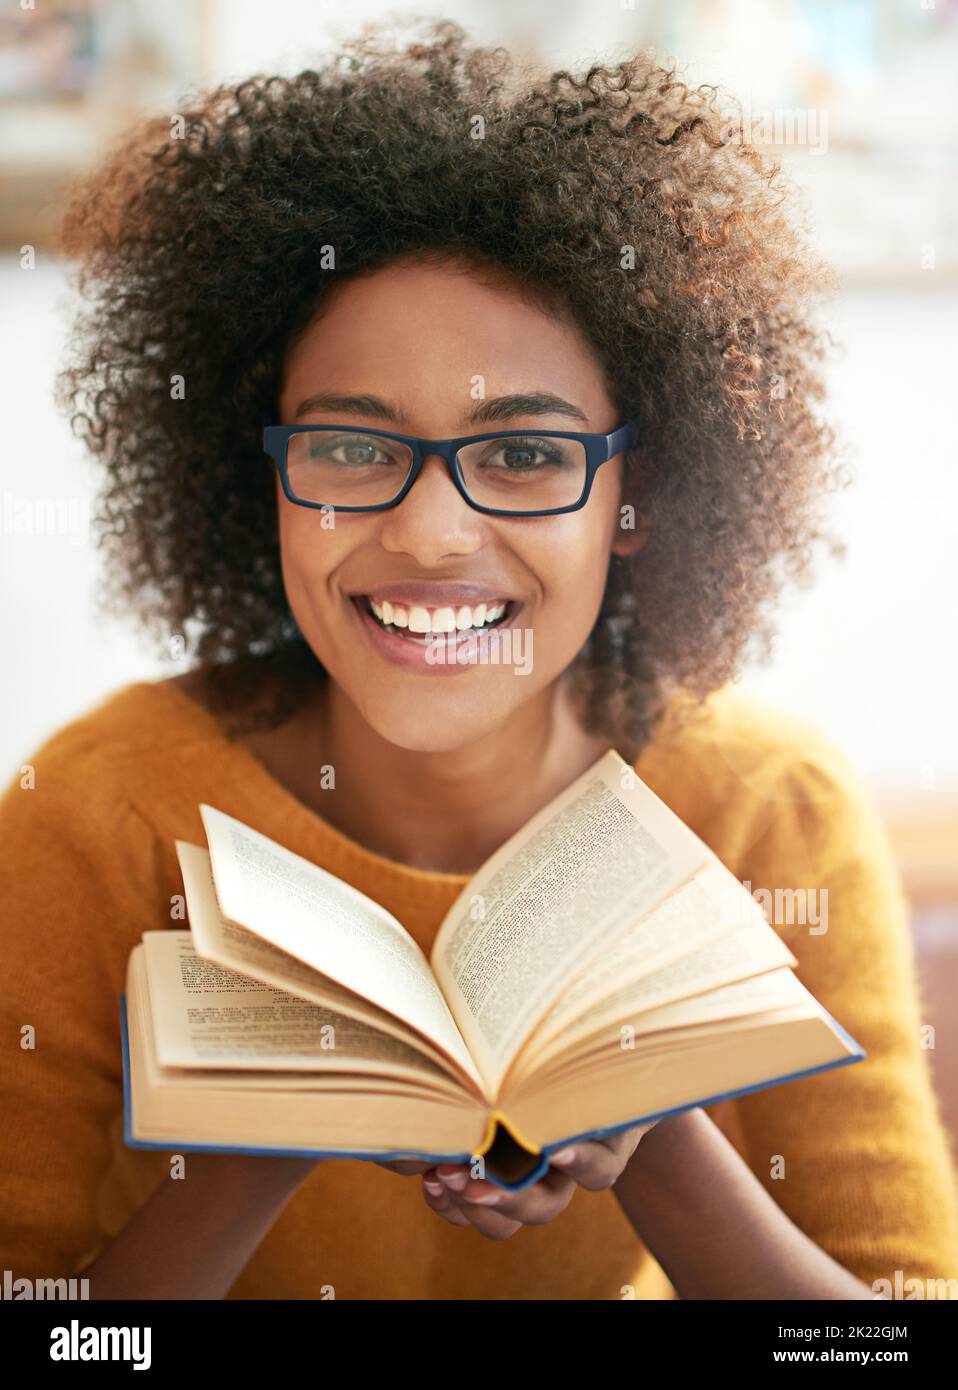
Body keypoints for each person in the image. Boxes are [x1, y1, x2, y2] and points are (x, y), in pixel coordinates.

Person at [2, 18, 956, 1300]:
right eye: (348, 445)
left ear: (638, 493)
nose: (429, 530)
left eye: (522, 453)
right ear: (259, 477)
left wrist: (657, 1126)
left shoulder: (768, 810)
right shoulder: (96, 811)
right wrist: (242, 1153)